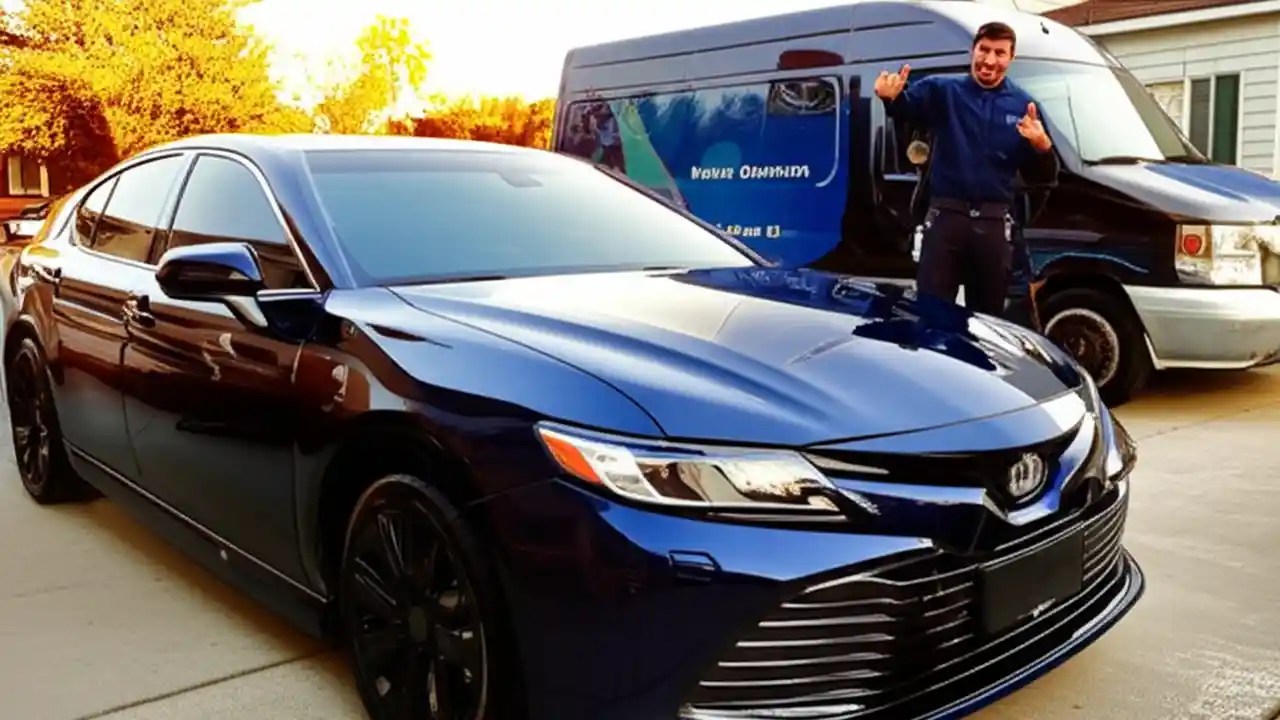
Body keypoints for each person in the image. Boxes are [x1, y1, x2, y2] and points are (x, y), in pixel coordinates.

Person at [874, 21, 1058, 317]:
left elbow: (1045, 178)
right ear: (972, 51)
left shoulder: (1024, 106)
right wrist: (890, 98)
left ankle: (981, 364)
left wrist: (1041, 147)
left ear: (1011, 58)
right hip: (946, 219)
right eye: (983, 50)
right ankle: (936, 361)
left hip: (994, 223)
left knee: (989, 320)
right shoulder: (942, 91)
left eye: (999, 53)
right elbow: (906, 108)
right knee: (932, 313)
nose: (989, 60)